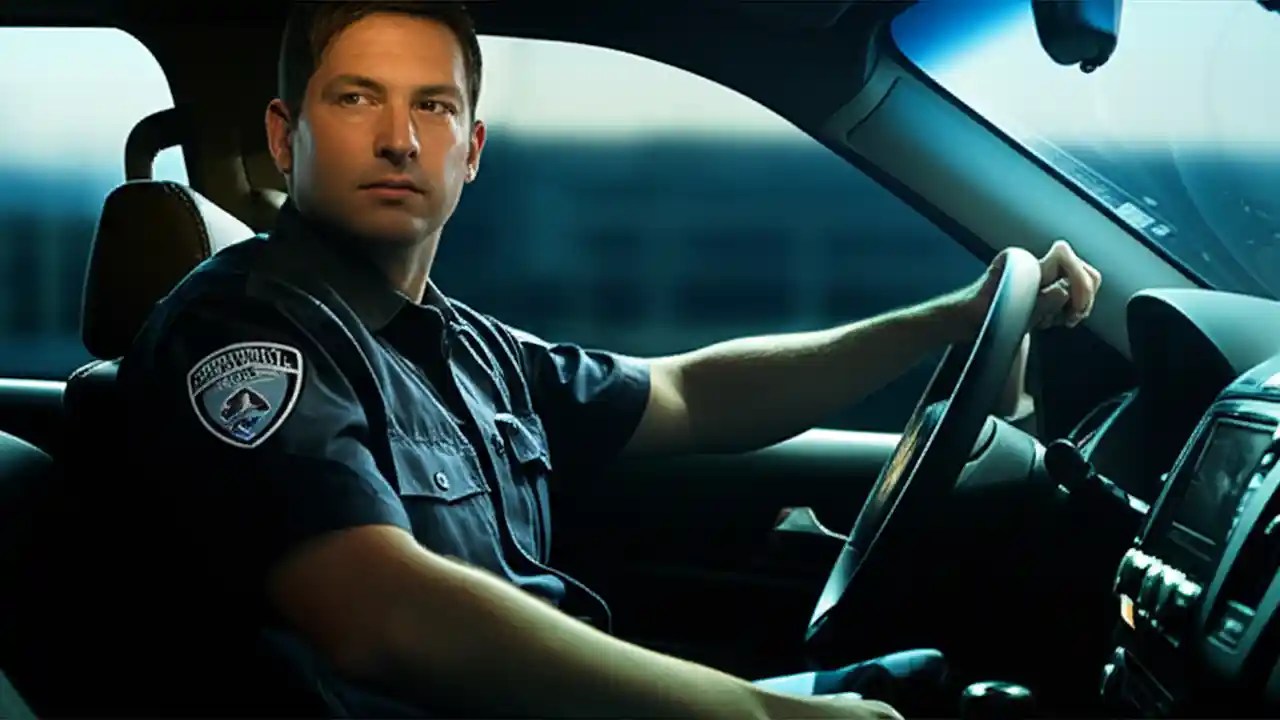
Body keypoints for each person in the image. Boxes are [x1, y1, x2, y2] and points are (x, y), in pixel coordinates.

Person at [115, 2, 1101, 718]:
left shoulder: (469, 349)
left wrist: (949, 319)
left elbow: (693, 393)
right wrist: (757, 714)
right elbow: (381, 613)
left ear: (471, 149)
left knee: (931, 684)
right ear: (285, 139)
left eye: (434, 107)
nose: (399, 140)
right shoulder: (238, 333)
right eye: (355, 99)